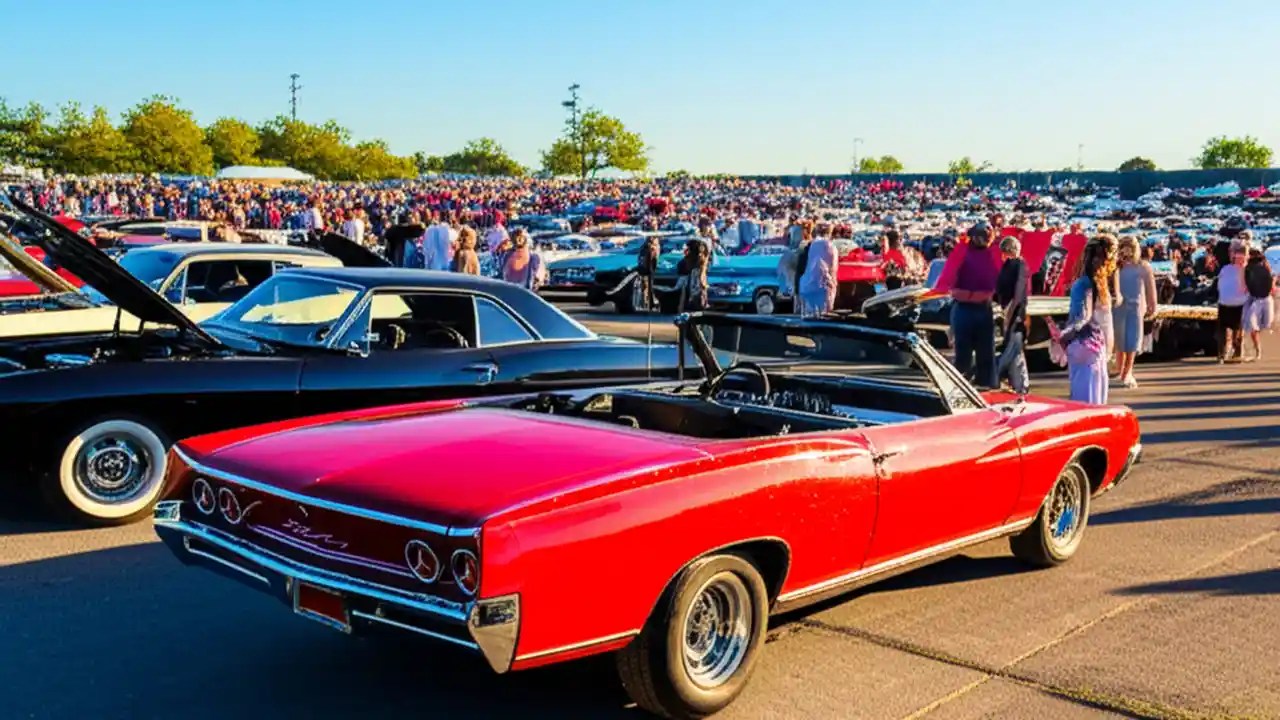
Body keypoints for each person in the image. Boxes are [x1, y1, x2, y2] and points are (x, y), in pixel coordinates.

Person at [1063, 236, 1116, 404]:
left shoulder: (1082, 284)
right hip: (1099, 346)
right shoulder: (1102, 286)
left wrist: (1064, 336)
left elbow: (1081, 317)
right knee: (1098, 397)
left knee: (1080, 399)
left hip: (1082, 344)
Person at [950, 223, 1000, 389]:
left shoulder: (992, 255)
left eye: (987, 236)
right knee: (963, 356)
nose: (985, 240)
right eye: (982, 236)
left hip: (981, 308)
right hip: (966, 308)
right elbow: (950, 282)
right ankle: (959, 388)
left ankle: (986, 388)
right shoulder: (962, 253)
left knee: (986, 355)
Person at [1112, 236, 1157, 388]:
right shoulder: (1116, 266)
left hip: (1136, 307)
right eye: (1124, 246)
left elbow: (1151, 288)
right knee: (1119, 341)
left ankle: (1127, 372)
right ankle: (1120, 371)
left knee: (1132, 341)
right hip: (1118, 307)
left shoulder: (1143, 266)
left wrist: (1153, 305)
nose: (1127, 250)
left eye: (1130, 247)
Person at [994, 235, 1030, 396]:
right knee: (1015, 349)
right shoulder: (1008, 265)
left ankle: (995, 376)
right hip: (1008, 311)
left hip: (1015, 313)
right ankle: (1020, 384)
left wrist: (1009, 313)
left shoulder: (1019, 265)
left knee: (1012, 348)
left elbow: (1018, 292)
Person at [1215, 239, 1249, 363]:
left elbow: (1220, 286)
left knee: (1222, 328)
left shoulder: (1225, 269)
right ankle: (1237, 351)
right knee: (1238, 328)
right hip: (1240, 303)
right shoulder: (1246, 269)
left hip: (1225, 302)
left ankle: (1221, 353)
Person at [798, 223, 839, 316]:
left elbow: (801, 267)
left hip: (807, 286)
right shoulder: (831, 247)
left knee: (808, 317)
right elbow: (833, 269)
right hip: (824, 287)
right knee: (824, 317)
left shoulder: (809, 246)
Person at [1243, 246, 1274, 361]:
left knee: (1265, 325)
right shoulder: (1249, 268)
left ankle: (1257, 350)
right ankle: (1257, 351)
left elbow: (1271, 278)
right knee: (1253, 326)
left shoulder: (1262, 266)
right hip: (1256, 298)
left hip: (1264, 298)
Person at [673, 238, 710, 312]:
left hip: (693, 300)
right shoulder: (700, 266)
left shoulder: (689, 265)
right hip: (696, 299)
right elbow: (702, 282)